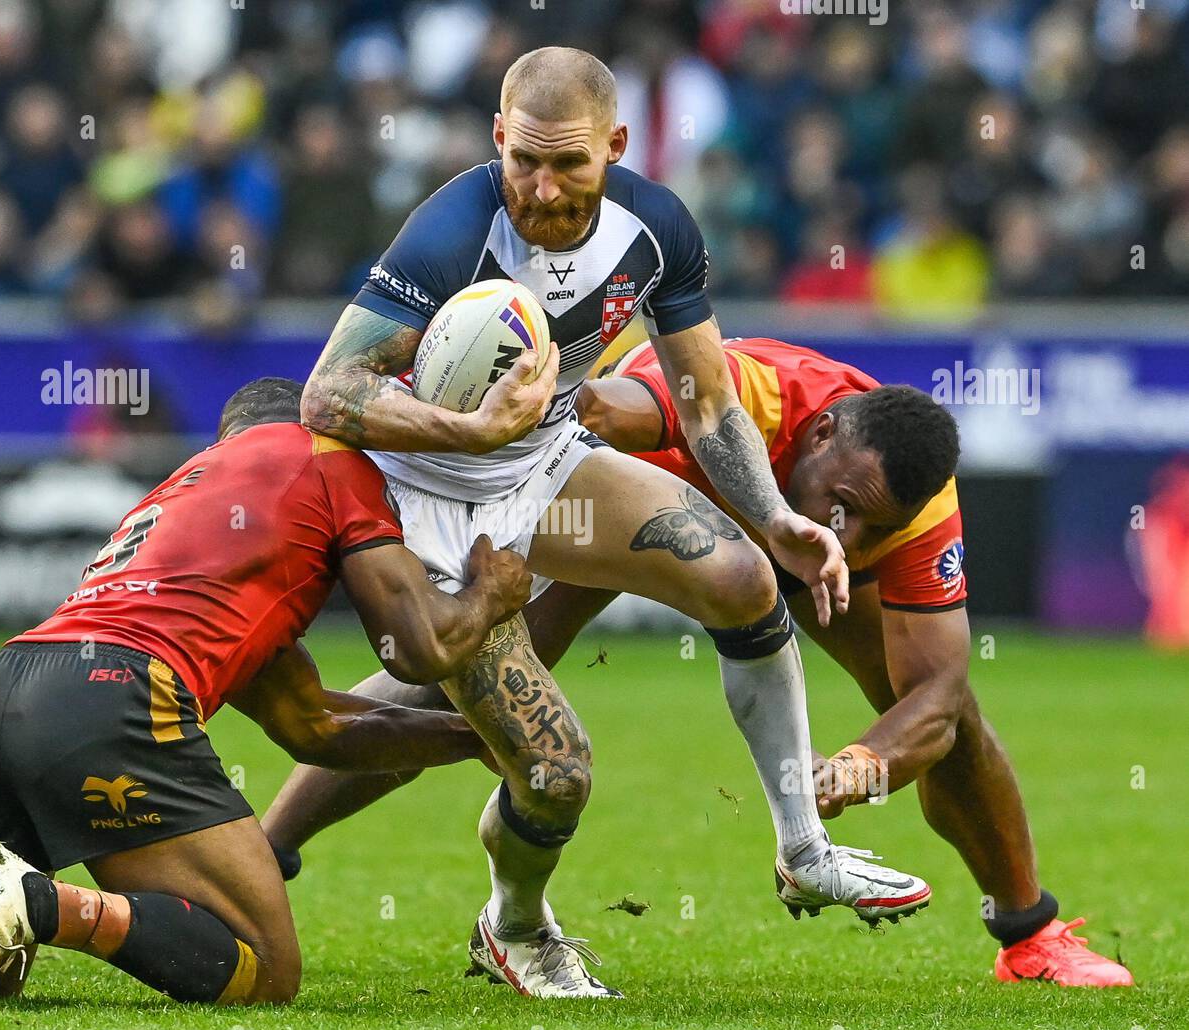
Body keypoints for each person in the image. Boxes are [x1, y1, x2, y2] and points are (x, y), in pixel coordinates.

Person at [290, 46, 928, 998]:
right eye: (525, 162)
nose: (542, 190)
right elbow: (326, 394)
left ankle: (803, 844)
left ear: (617, 146)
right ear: (498, 139)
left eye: (570, 166)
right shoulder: (452, 231)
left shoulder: (657, 228)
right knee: (552, 771)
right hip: (426, 502)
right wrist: (466, 427)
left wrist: (777, 522)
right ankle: (512, 923)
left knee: (746, 581)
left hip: (543, 467)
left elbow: (708, 406)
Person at [271, 337, 1133, 988]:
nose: (852, 535)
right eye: (844, 505)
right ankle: (265, 854)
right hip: (624, 490)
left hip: (773, 556)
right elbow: (611, 406)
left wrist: (855, 770)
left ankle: (1029, 933)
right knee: (469, 672)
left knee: (951, 716)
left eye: (872, 525)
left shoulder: (904, 504)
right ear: (819, 430)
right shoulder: (748, 393)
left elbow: (936, 697)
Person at [0, 378, 532, 1009]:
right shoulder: (330, 457)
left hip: (3, 690)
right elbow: (419, 650)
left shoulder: (187, 492)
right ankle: (42, 902)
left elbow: (314, 724)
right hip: (110, 696)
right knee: (265, 968)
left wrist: (469, 740)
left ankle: (16, 901)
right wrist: (489, 596)